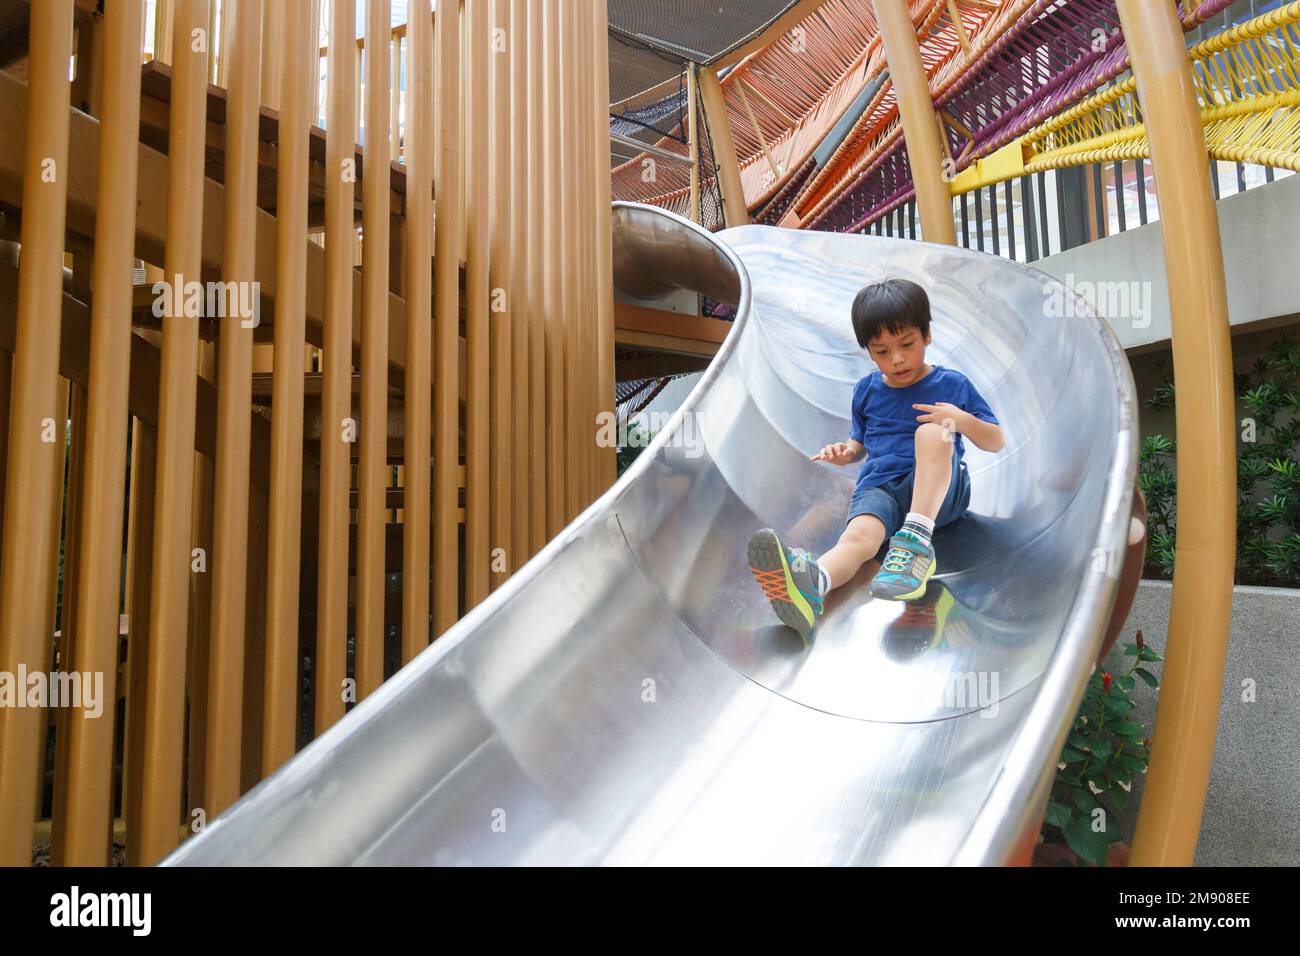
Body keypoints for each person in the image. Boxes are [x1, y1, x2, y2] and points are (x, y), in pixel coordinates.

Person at [746, 277, 1005, 639]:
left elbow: (995, 441)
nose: (897, 359)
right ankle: (812, 585)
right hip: (881, 487)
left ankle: (915, 541)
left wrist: (960, 420)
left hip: (938, 490)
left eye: (907, 344)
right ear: (867, 350)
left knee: (930, 432)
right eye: (882, 351)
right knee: (858, 539)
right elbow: (861, 443)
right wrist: (845, 452)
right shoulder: (866, 391)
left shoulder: (952, 385)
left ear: (927, 334)